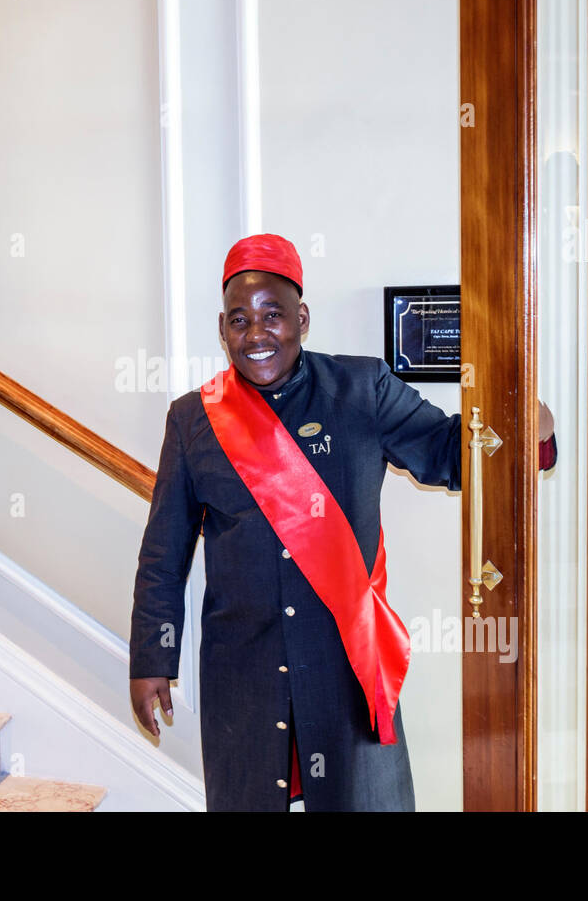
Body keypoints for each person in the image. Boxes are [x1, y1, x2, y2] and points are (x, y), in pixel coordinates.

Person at [129, 234, 554, 810]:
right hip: (244, 667)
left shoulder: (363, 389)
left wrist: (532, 429)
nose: (256, 335)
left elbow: (449, 452)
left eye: (272, 316)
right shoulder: (191, 420)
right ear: (223, 329)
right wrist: (153, 658)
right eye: (238, 321)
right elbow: (164, 553)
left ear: (301, 318)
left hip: (349, 662)